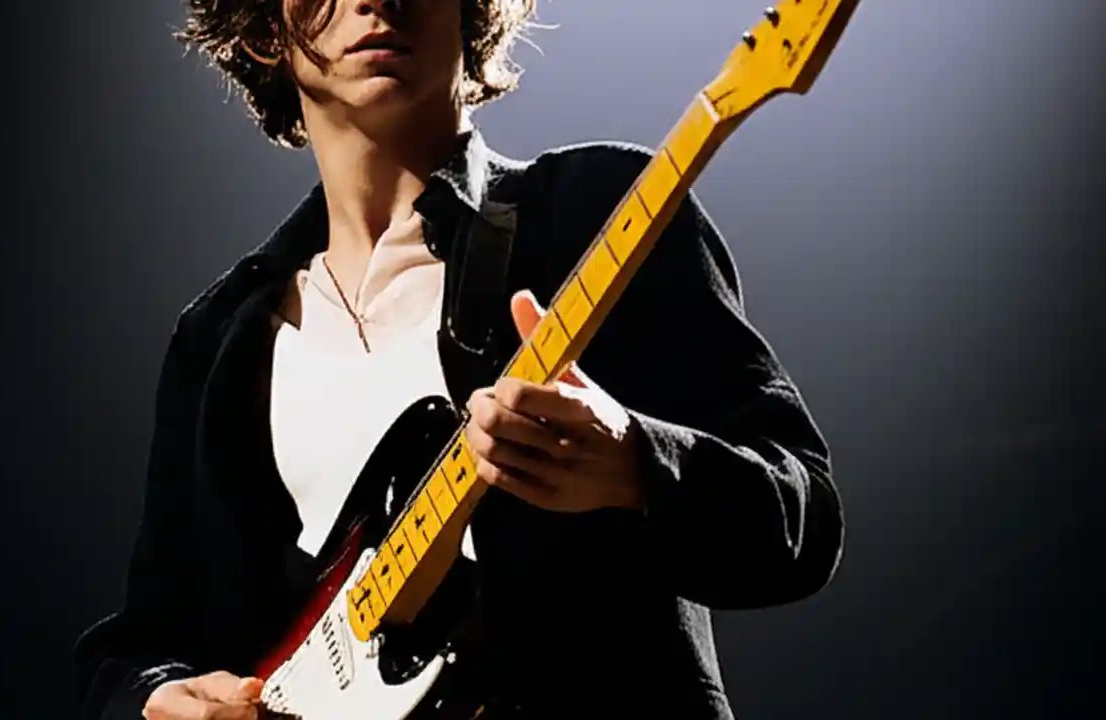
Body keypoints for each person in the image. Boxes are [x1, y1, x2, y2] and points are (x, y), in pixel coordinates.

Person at [73, 0, 845, 718]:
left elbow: (802, 517)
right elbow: (138, 641)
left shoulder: (599, 211)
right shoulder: (219, 340)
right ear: (261, 32)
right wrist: (156, 697)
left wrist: (636, 461)